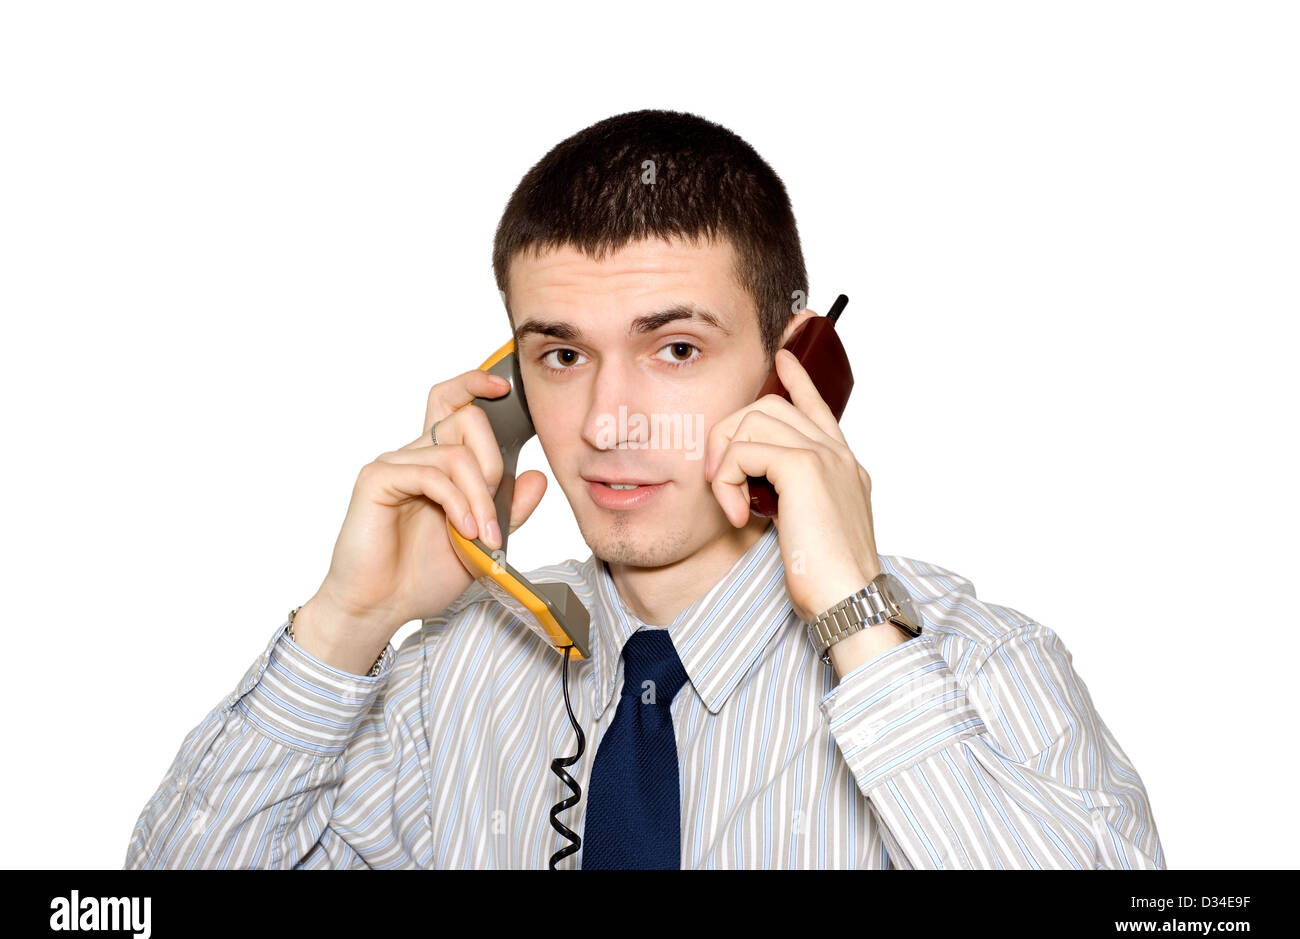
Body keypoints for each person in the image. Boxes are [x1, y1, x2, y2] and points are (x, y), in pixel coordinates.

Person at [126, 109, 1165, 870]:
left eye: (673, 347)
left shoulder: (975, 664)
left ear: (790, 368)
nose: (610, 421)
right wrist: (348, 623)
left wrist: (858, 621)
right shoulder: (450, 686)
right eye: (562, 357)